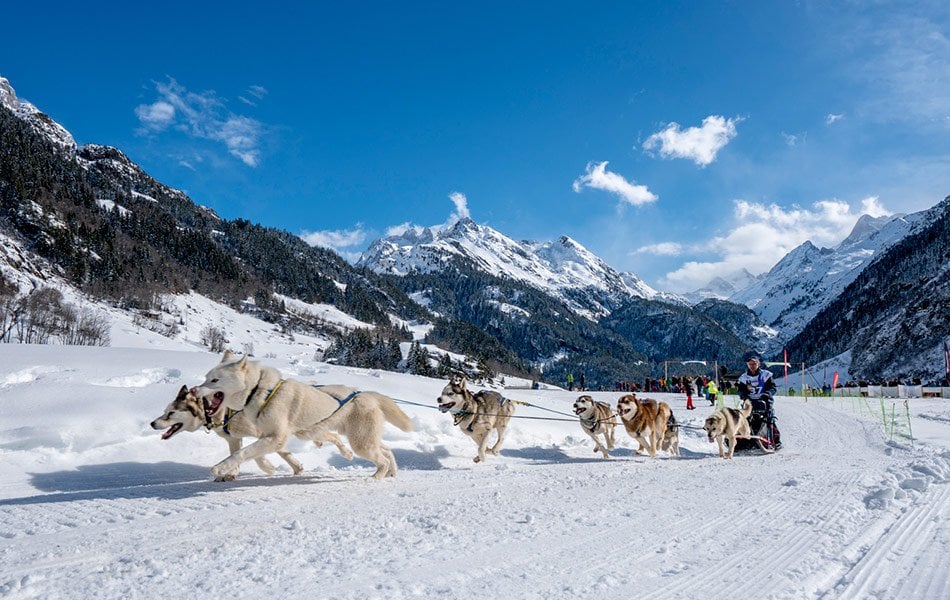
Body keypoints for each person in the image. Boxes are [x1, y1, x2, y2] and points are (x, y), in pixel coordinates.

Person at [737, 355, 781, 448]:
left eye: (754, 363)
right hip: (750, 401)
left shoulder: (766, 375)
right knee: (745, 419)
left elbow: (772, 388)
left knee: (769, 417)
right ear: (747, 365)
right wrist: (743, 395)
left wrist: (767, 394)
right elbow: (740, 389)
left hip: (764, 400)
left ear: (758, 364)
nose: (752, 365)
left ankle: (775, 440)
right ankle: (743, 441)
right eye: (750, 364)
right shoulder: (744, 377)